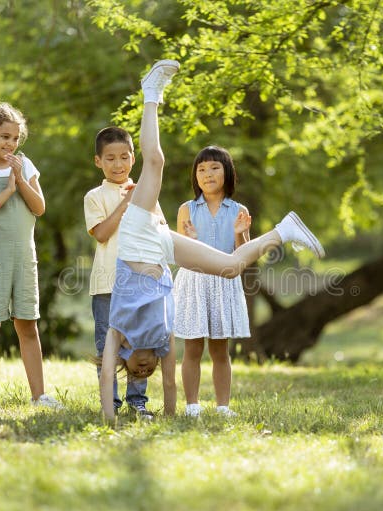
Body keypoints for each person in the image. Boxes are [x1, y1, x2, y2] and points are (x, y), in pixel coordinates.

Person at [100, 60, 325, 423]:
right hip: (164, 248)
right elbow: (170, 386)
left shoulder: (118, 334)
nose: (143, 368)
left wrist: (109, 418)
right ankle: (284, 230)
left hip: (138, 237)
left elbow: (107, 374)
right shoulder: (160, 341)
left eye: (136, 370)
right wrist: (173, 417)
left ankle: (151, 93)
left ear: (126, 359)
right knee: (230, 266)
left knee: (154, 161)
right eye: (147, 372)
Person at [0, 102, 62, 410]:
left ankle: (39, 395)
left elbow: (39, 207)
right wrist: (5, 192)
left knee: (28, 325)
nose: (10, 144)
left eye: (15, 139)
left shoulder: (24, 165)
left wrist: (18, 180)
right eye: (4, 137)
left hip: (23, 260)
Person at [84, 126, 167, 419]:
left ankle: (137, 400)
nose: (118, 165)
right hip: (107, 282)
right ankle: (112, 402)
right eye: (110, 159)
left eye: (123, 157)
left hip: (141, 283)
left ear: (133, 158)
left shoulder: (146, 193)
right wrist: (125, 203)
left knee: (140, 341)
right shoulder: (94, 196)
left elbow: (161, 232)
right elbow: (102, 233)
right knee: (106, 342)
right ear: (98, 161)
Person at [173, 146, 251, 417]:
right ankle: (192, 405)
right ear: (195, 176)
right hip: (194, 282)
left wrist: (241, 234)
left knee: (220, 350)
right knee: (192, 347)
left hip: (223, 283)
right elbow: (179, 253)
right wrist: (191, 242)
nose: (208, 174)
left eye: (215, 168)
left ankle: (222, 407)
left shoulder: (238, 210)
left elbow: (243, 256)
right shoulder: (187, 209)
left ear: (227, 172)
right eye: (201, 169)